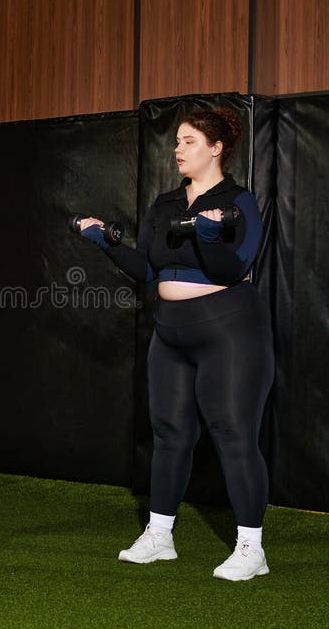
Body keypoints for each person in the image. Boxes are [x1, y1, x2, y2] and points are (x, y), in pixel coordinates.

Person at [79, 108, 274, 581]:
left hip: (229, 329)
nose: (178, 149)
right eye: (177, 142)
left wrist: (209, 234)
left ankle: (252, 547)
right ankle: (159, 535)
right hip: (170, 332)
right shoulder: (166, 204)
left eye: (188, 141)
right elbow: (147, 269)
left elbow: (233, 269)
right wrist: (106, 241)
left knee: (232, 433)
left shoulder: (239, 201)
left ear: (216, 148)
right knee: (169, 434)